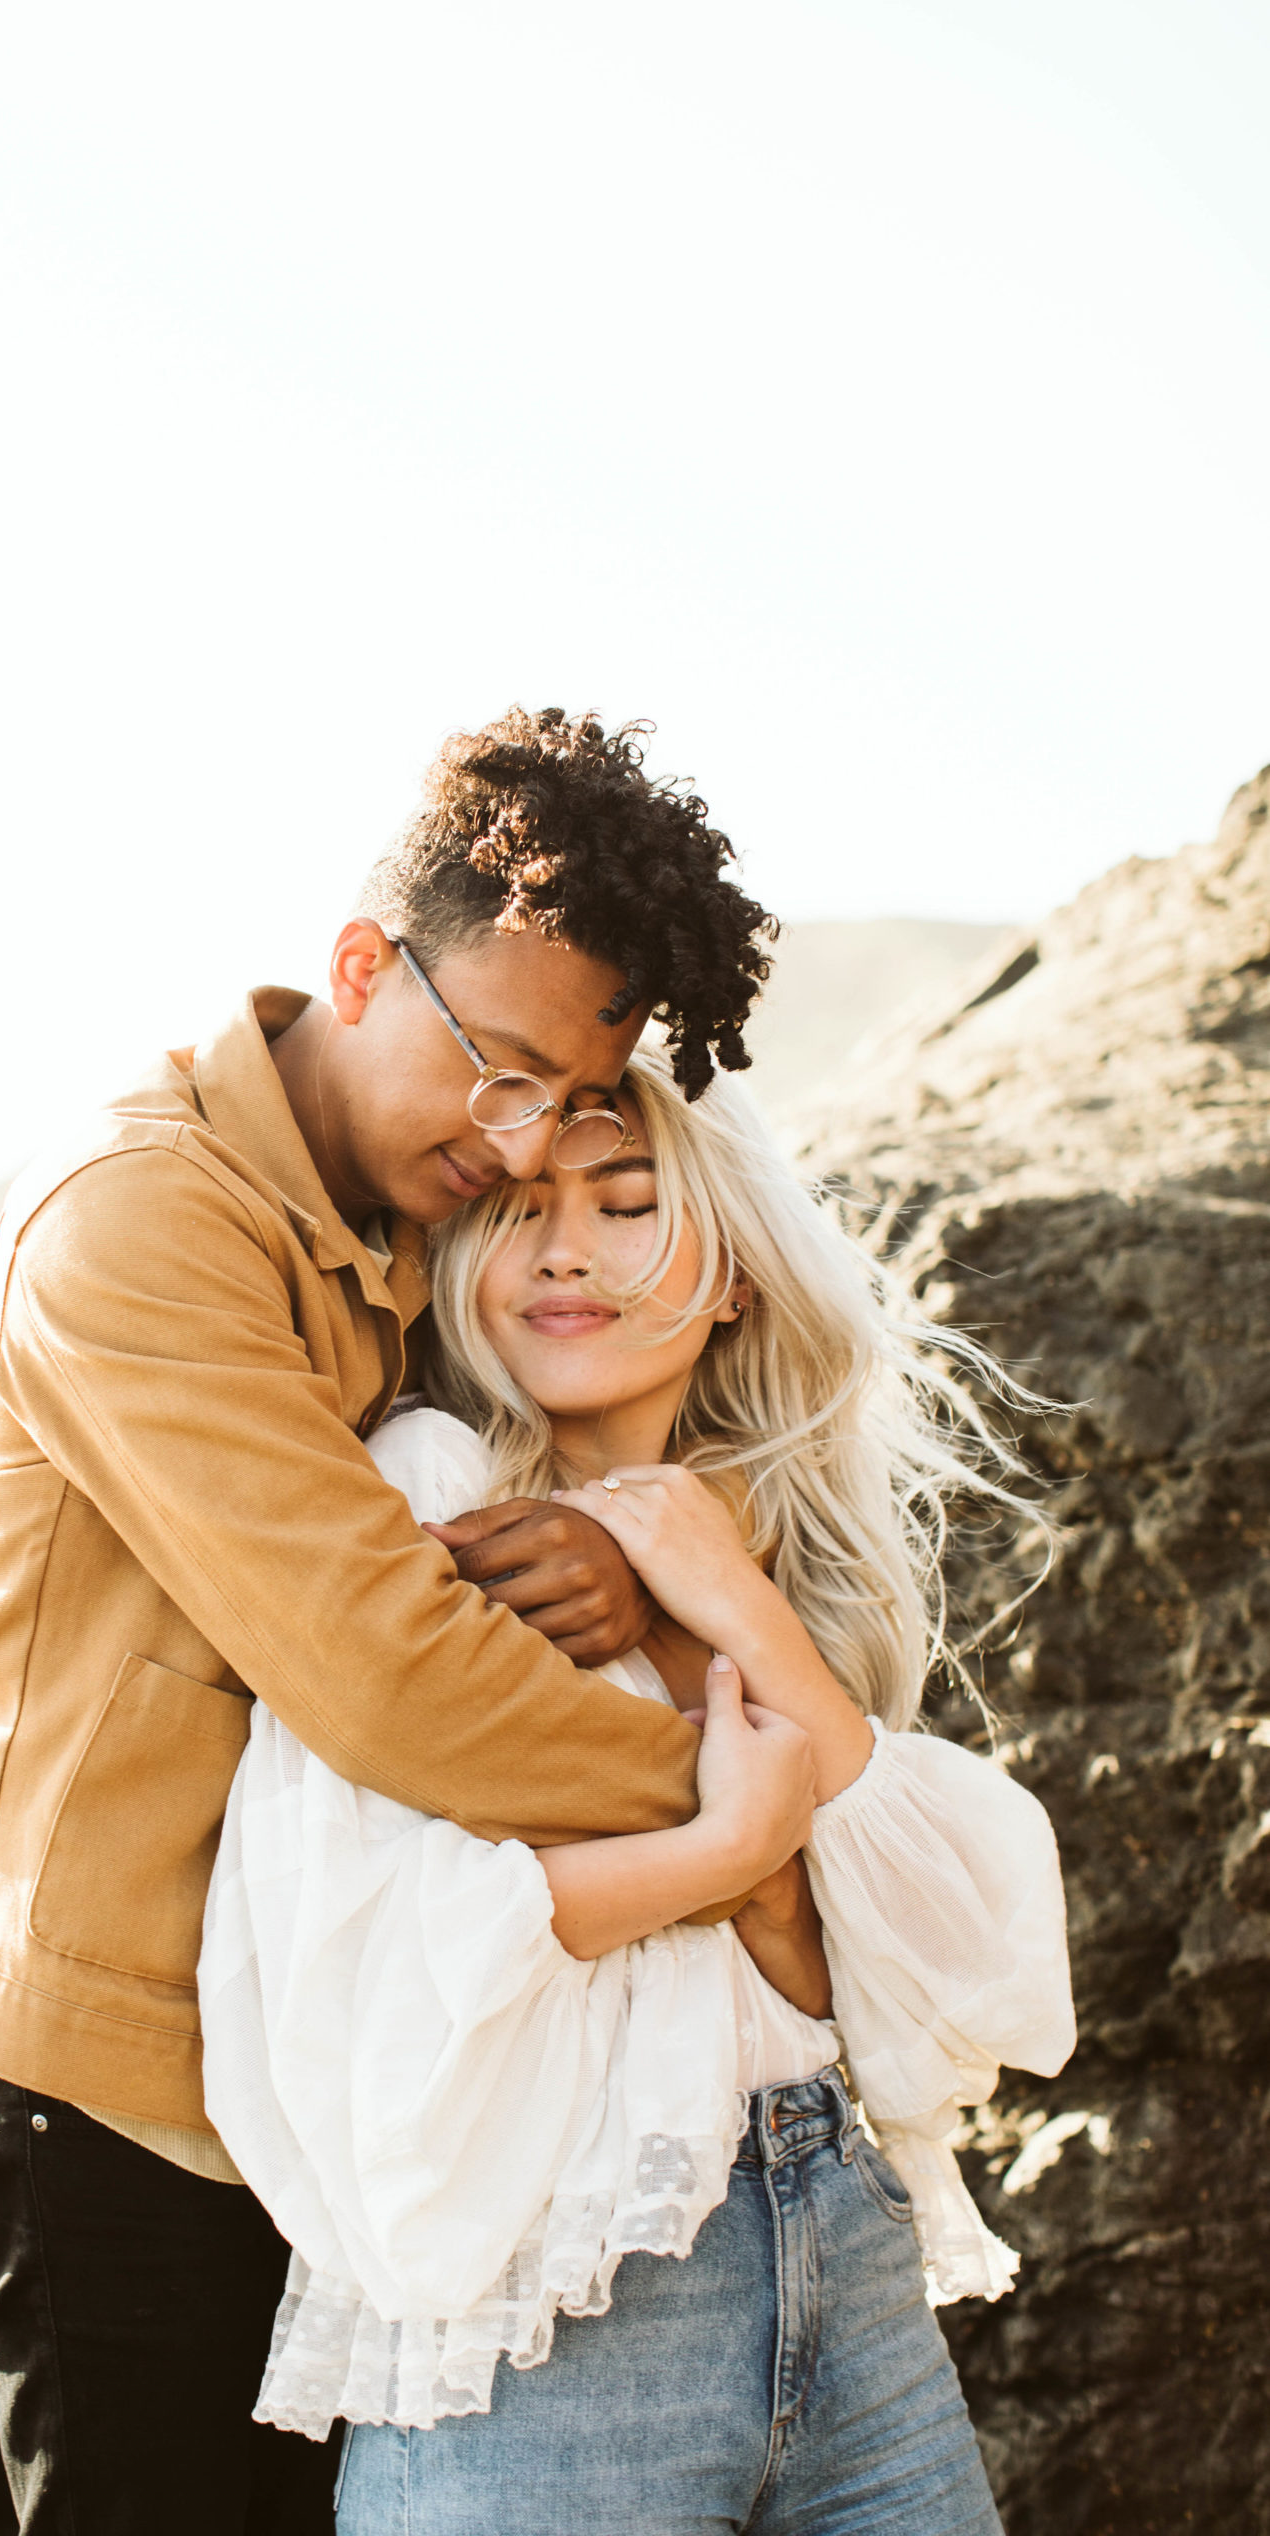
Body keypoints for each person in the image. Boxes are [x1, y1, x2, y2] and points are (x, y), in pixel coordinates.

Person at [0, 707, 785, 2533]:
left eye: (563, 1101)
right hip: (110, 2091)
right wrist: (760, 1827)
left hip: (339, 2081)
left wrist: (624, 1558)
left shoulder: (414, 1218)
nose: (517, 1144)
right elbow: (397, 1682)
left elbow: (586, 1444)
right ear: (364, 964)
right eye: (499, 1071)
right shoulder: (139, 1224)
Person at [197, 1044, 1076, 2533]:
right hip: (553, 2322)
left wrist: (725, 1597)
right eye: (518, 1210)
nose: (564, 1251)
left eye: (626, 1204)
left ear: (733, 1273)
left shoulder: (778, 1546)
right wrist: (739, 1854)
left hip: (846, 2266)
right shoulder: (429, 1491)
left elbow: (944, 1978)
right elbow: (371, 1949)